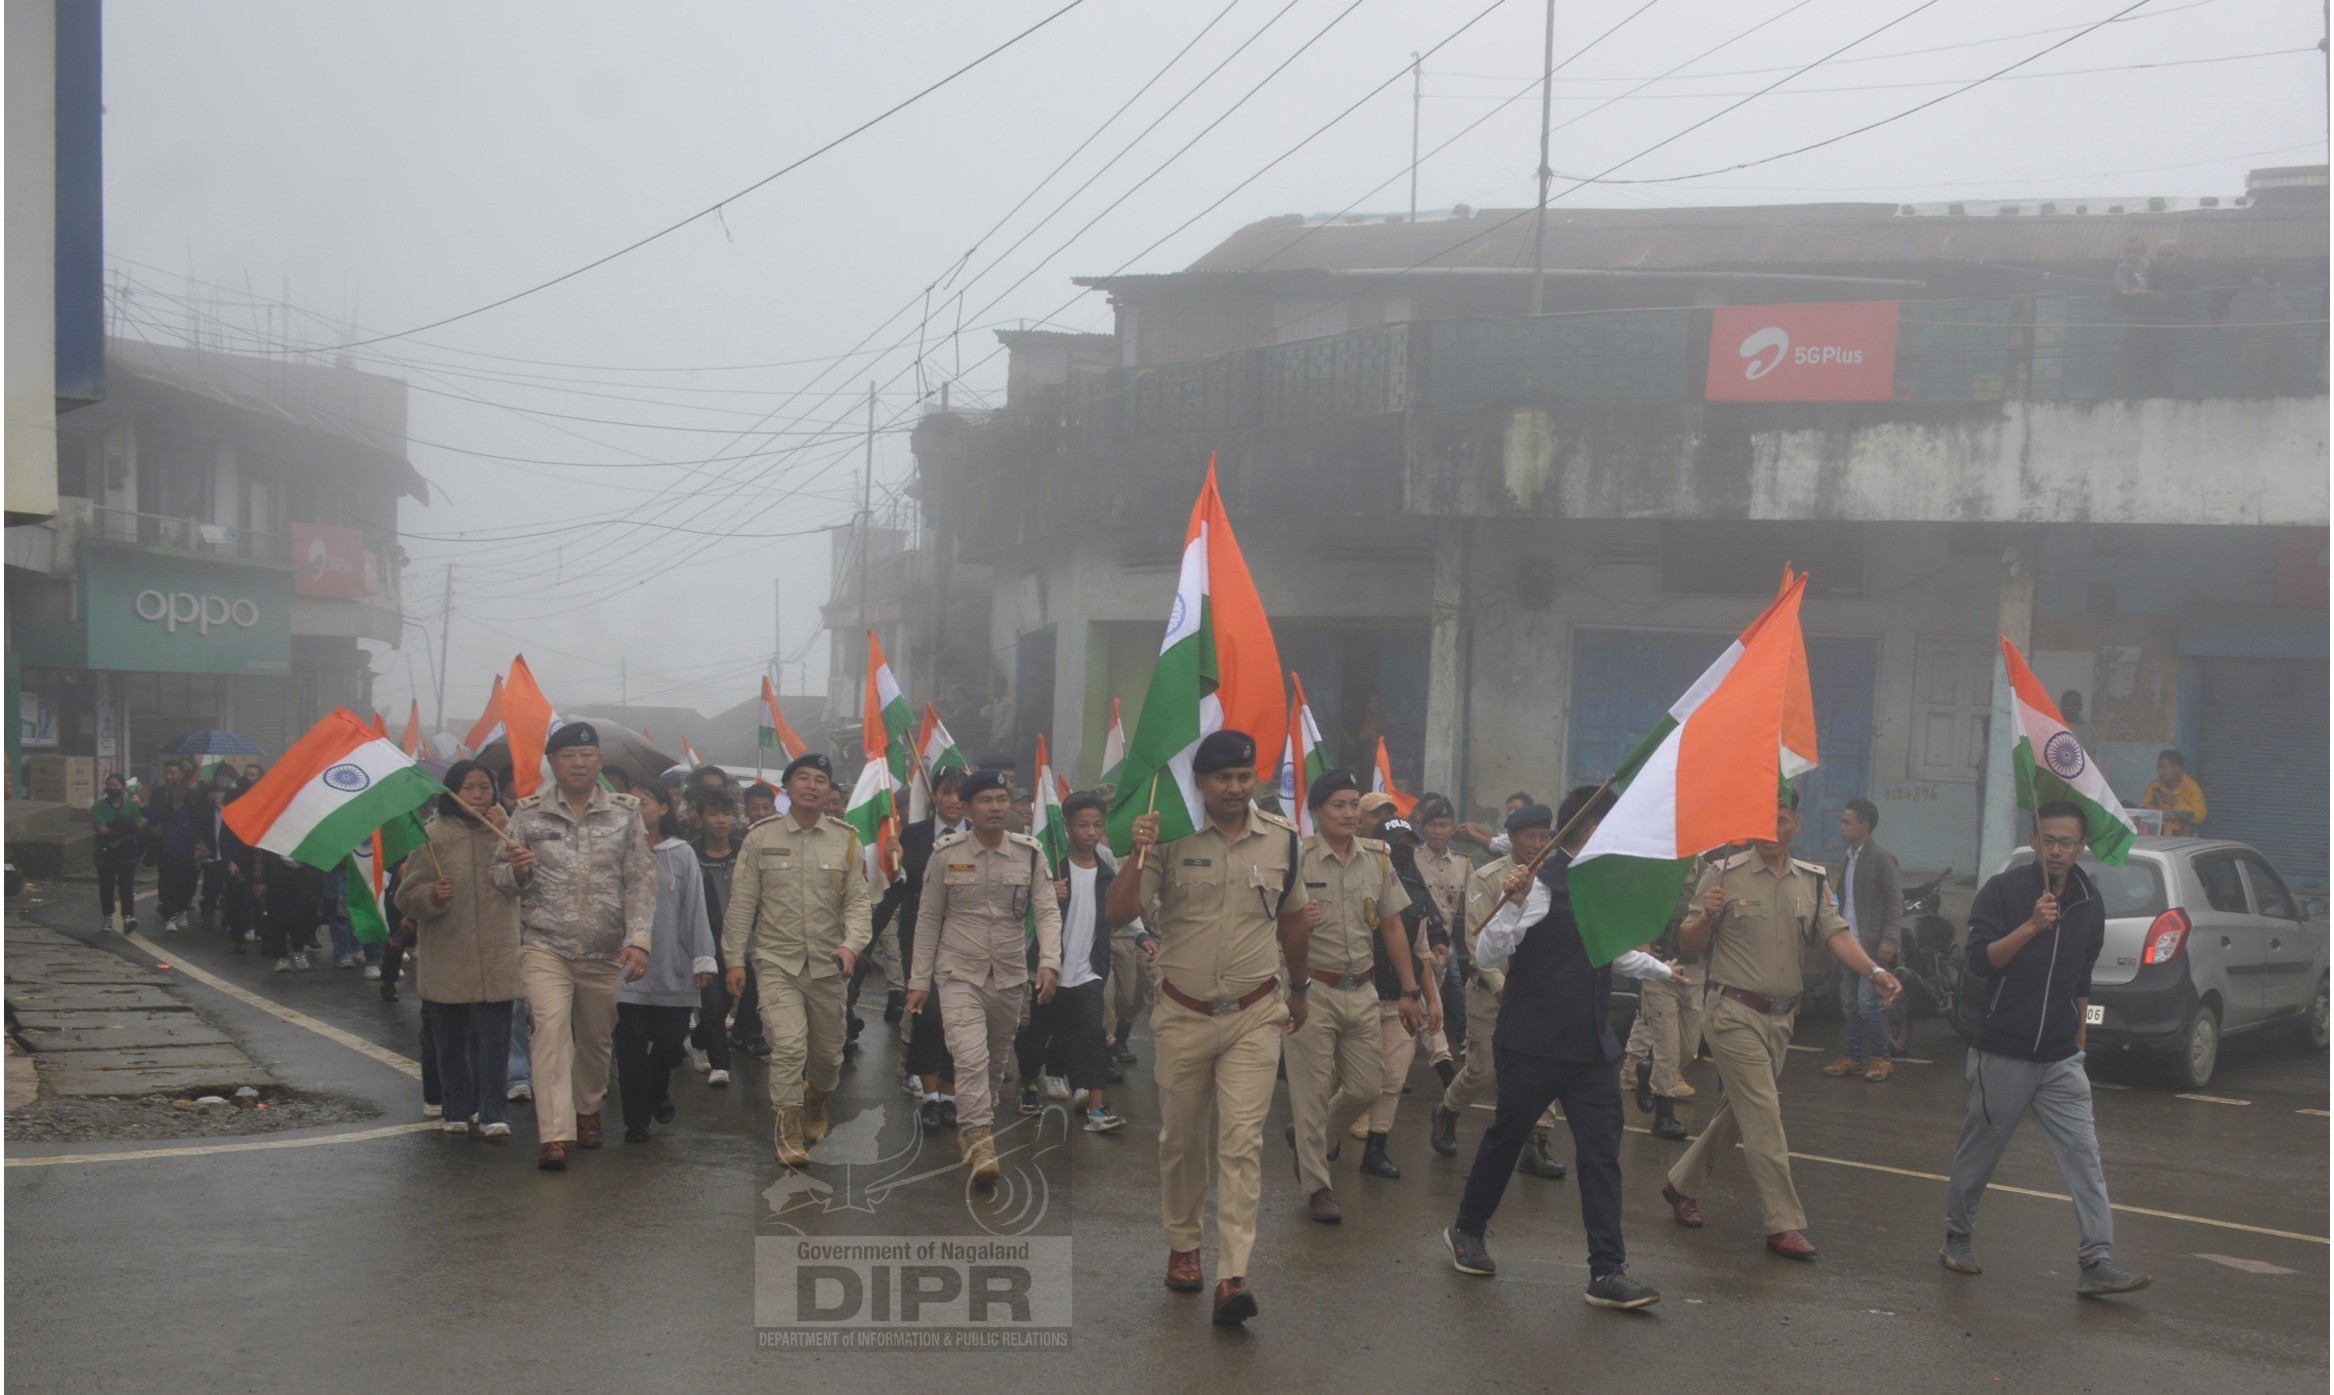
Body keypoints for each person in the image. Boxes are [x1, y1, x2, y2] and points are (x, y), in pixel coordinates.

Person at [1444, 783, 1676, 1310]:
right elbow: (1487, 949)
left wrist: (1664, 970)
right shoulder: (1539, 883)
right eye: (1612, 828)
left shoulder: (1601, 883)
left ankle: (1607, 1271)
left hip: (1591, 1047)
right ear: (1587, 829)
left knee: (1601, 1155)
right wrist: (1512, 906)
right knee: (1507, 1138)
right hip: (1533, 1042)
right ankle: (1467, 1228)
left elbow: (1611, 951)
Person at [1106, 729, 1310, 1326]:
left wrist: (1299, 990)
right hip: (1182, 1014)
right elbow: (1119, 913)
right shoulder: (1168, 836)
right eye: (1223, 778)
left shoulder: (1283, 842)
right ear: (1200, 782)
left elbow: (1294, 922)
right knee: (1182, 1142)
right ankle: (1184, 1247)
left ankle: (1232, 1275)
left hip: (1254, 1014)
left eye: (1245, 777)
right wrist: (1138, 854)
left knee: (1243, 1143)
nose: (1235, 788)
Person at [1662, 787, 1903, 1261]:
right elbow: (1689, 945)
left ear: (1796, 823)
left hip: (1781, 1021)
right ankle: (1783, 1223)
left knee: (1742, 1113)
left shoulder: (1812, 881)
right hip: (1732, 1014)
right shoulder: (1722, 872)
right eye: (1760, 818)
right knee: (1765, 1117)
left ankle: (1681, 1184)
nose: (1770, 829)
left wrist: (1874, 972)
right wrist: (1706, 916)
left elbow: (1836, 935)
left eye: (1782, 819)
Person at [1942, 801, 2151, 1297]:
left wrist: (2078, 1039)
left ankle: (2096, 1258)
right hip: (2003, 1051)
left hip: (2060, 1057)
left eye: (2067, 843)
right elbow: (1980, 964)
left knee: (2084, 1154)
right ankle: (1958, 1236)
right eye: (2049, 840)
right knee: (1980, 1152)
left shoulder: (2088, 899)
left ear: (2082, 847)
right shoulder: (2004, 891)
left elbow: (2082, 974)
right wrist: (2032, 925)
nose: (2057, 851)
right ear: (2034, 841)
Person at [493, 722, 655, 1173]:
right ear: (553, 764)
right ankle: (555, 1134)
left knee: (596, 1038)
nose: (578, 763)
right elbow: (499, 880)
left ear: (599, 761)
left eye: (586, 756)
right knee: (548, 1032)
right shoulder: (528, 814)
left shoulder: (625, 814)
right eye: (568, 756)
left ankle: (587, 1108)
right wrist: (517, 871)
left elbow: (641, 881)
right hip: (546, 945)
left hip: (605, 950)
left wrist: (638, 940)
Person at [907, 769, 1062, 1182]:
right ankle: (979, 1140)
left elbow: (1046, 910)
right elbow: (927, 920)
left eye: (1002, 799)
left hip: (1009, 974)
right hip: (958, 972)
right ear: (969, 809)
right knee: (969, 1057)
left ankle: (978, 1119)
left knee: (994, 1062)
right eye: (986, 800)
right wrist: (919, 981)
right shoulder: (946, 853)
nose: (996, 807)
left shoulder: (1029, 853)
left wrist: (1049, 961)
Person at [722, 752, 873, 1167]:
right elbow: (742, 905)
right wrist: (734, 959)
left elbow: (859, 905)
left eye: (820, 779)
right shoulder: (760, 837)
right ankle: (787, 1127)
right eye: (801, 778)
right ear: (786, 789)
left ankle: (816, 1100)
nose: (811, 785)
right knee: (788, 1046)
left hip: (829, 963)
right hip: (776, 961)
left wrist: (851, 946)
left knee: (827, 1056)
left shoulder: (846, 840)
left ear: (829, 791)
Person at [1281, 770, 1417, 1221]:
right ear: (1317, 811)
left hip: (1362, 990)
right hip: (1311, 989)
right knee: (1311, 1093)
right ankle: (1318, 1186)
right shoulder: (1296, 859)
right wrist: (1300, 925)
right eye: (1338, 805)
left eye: (1353, 804)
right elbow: (1268, 924)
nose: (1348, 813)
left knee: (1366, 1087)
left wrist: (1410, 989)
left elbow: (1394, 925)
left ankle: (1311, 1140)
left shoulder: (1377, 858)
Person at [1430, 803, 1567, 1175]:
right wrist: (1501, 987)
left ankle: (1535, 1145)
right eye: (1529, 836)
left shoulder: (1558, 878)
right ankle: (1448, 1109)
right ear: (1513, 839)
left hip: (1539, 993)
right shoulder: (1489, 878)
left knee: (1542, 1068)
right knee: (1482, 1071)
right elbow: (1477, 941)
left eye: (1544, 836)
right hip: (1492, 993)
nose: (1536, 843)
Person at [393, 760, 524, 1141]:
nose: (479, 794)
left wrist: (521, 867)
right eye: (469, 788)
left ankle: (493, 1111)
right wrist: (431, 895)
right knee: (449, 1042)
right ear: (452, 793)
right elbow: (407, 898)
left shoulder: (505, 832)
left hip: (498, 954)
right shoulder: (430, 836)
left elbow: (524, 885)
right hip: (448, 954)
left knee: (495, 1041)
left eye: (485, 786)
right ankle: (455, 1107)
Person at [613, 781, 720, 1143]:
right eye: (630, 803)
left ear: (662, 808)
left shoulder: (680, 853)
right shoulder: (615, 851)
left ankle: (659, 1088)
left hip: (673, 965)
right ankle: (636, 1121)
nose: (637, 808)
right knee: (629, 1049)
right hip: (624, 970)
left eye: (643, 802)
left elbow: (695, 908)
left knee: (670, 1046)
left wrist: (702, 959)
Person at [1015, 790, 1126, 1133]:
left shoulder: (1108, 872)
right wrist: (1047, 891)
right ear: (1066, 826)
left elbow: (1122, 908)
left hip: (1088, 970)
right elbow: (1021, 910)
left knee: (1093, 1034)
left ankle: (1095, 1109)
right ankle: (1029, 1084)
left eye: (1097, 825)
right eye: (1083, 825)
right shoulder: (1049, 867)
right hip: (1048, 969)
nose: (1091, 832)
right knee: (1038, 1035)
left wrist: (1142, 935)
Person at [1347, 815, 1446, 1171]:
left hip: (1402, 998)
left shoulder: (1416, 893)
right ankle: (1322, 1136)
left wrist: (1431, 1000)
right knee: (1354, 1079)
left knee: (1393, 1078)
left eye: (1409, 843)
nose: (1403, 851)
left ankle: (1377, 1148)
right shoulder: (1359, 883)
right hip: (1361, 995)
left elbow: (1421, 951)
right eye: (1396, 844)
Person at [878, 767, 972, 1131]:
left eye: (960, 794)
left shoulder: (977, 837)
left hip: (965, 939)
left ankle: (950, 1096)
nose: (953, 801)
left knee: (958, 1017)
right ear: (934, 796)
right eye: (946, 792)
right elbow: (900, 888)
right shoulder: (914, 835)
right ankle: (929, 1096)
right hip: (919, 934)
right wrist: (896, 864)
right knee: (928, 1013)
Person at [1623, 853, 1711, 1143]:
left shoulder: (1712, 874)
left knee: (1688, 1049)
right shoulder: (1656, 870)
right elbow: (1635, 907)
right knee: (1667, 1047)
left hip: (1694, 968)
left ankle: (1647, 1072)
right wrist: (1641, 943)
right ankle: (1664, 1115)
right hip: (1660, 967)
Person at [1823, 797, 1904, 1084]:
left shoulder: (1881, 858)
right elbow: (1841, 901)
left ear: (1864, 826)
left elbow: (1896, 901)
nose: (1842, 826)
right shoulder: (1849, 857)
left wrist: (1890, 938)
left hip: (1874, 948)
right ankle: (1853, 1057)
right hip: (1851, 946)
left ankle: (1882, 1058)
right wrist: (1836, 940)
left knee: (1868, 1004)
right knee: (1851, 1005)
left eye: (1848, 822)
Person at [1412, 796, 1473, 1062]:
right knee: (1424, 1001)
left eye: (1444, 825)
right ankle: (1440, 1059)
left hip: (1444, 947)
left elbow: (1472, 908)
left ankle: (1462, 1040)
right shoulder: (1410, 860)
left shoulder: (1464, 864)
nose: (1438, 831)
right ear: (1423, 827)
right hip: (1413, 944)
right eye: (1433, 824)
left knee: (1451, 993)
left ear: (1453, 828)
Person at [688, 788, 741, 1087]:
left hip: (740, 942)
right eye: (713, 813)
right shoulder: (690, 856)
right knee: (711, 1005)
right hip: (704, 942)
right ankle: (721, 1066)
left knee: (729, 1003)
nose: (721, 820)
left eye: (726, 813)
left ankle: (697, 1040)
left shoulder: (744, 851)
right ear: (699, 819)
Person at [146, 760, 204, 934]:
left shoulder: (191, 810)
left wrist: (199, 846)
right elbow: (151, 823)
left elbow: (198, 828)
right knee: (169, 884)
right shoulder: (162, 809)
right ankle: (170, 916)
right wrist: (153, 831)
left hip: (187, 853)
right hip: (168, 852)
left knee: (186, 884)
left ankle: (182, 910)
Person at [256, 845, 325, 972]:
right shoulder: (272, 833)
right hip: (277, 876)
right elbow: (261, 856)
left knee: (302, 916)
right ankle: (281, 956)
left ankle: (298, 951)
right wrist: (260, 880)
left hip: (302, 875)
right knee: (277, 918)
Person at [91, 774, 144, 933]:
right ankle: (108, 916)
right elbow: (102, 829)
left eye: (116, 785)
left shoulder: (131, 805)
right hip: (105, 850)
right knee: (106, 885)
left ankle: (128, 916)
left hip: (127, 851)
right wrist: (124, 827)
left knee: (126, 885)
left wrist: (120, 838)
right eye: (110, 785)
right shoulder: (99, 806)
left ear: (123, 787)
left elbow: (138, 826)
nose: (113, 788)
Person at [2143, 749, 2206, 836]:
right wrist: (2153, 803)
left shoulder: (2191, 787)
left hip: (2181, 833)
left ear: (2176, 768)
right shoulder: (2155, 785)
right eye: (2159, 767)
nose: (2160, 772)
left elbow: (2200, 816)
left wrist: (2176, 803)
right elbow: (2142, 809)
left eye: (2164, 768)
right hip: (2157, 832)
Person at [2059, 690, 2096, 756]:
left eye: (2073, 705)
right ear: (2061, 705)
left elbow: (2092, 758)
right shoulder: (2052, 725)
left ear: (2080, 707)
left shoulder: (2088, 731)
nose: (2069, 708)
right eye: (2066, 704)